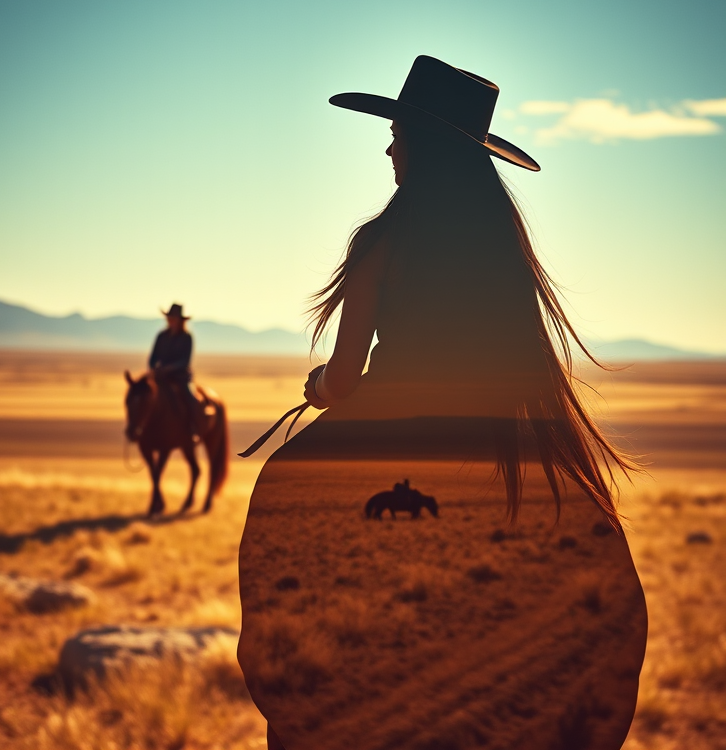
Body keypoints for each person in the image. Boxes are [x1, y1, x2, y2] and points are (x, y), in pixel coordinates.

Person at [238, 56, 647, 750]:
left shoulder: (381, 239)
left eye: (399, 131)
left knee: (286, 493)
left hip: (385, 419)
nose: (389, 145)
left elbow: (342, 377)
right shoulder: (501, 246)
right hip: (498, 429)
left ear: (425, 146)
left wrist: (320, 392)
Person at [148, 303, 201, 439]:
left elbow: (185, 361)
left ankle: (193, 428)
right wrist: (154, 368)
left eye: (174, 319)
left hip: (180, 377)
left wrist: (169, 368)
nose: (171, 321)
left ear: (180, 321)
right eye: (169, 318)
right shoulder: (162, 336)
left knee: (190, 399)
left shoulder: (186, 337)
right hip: (161, 377)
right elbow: (153, 357)